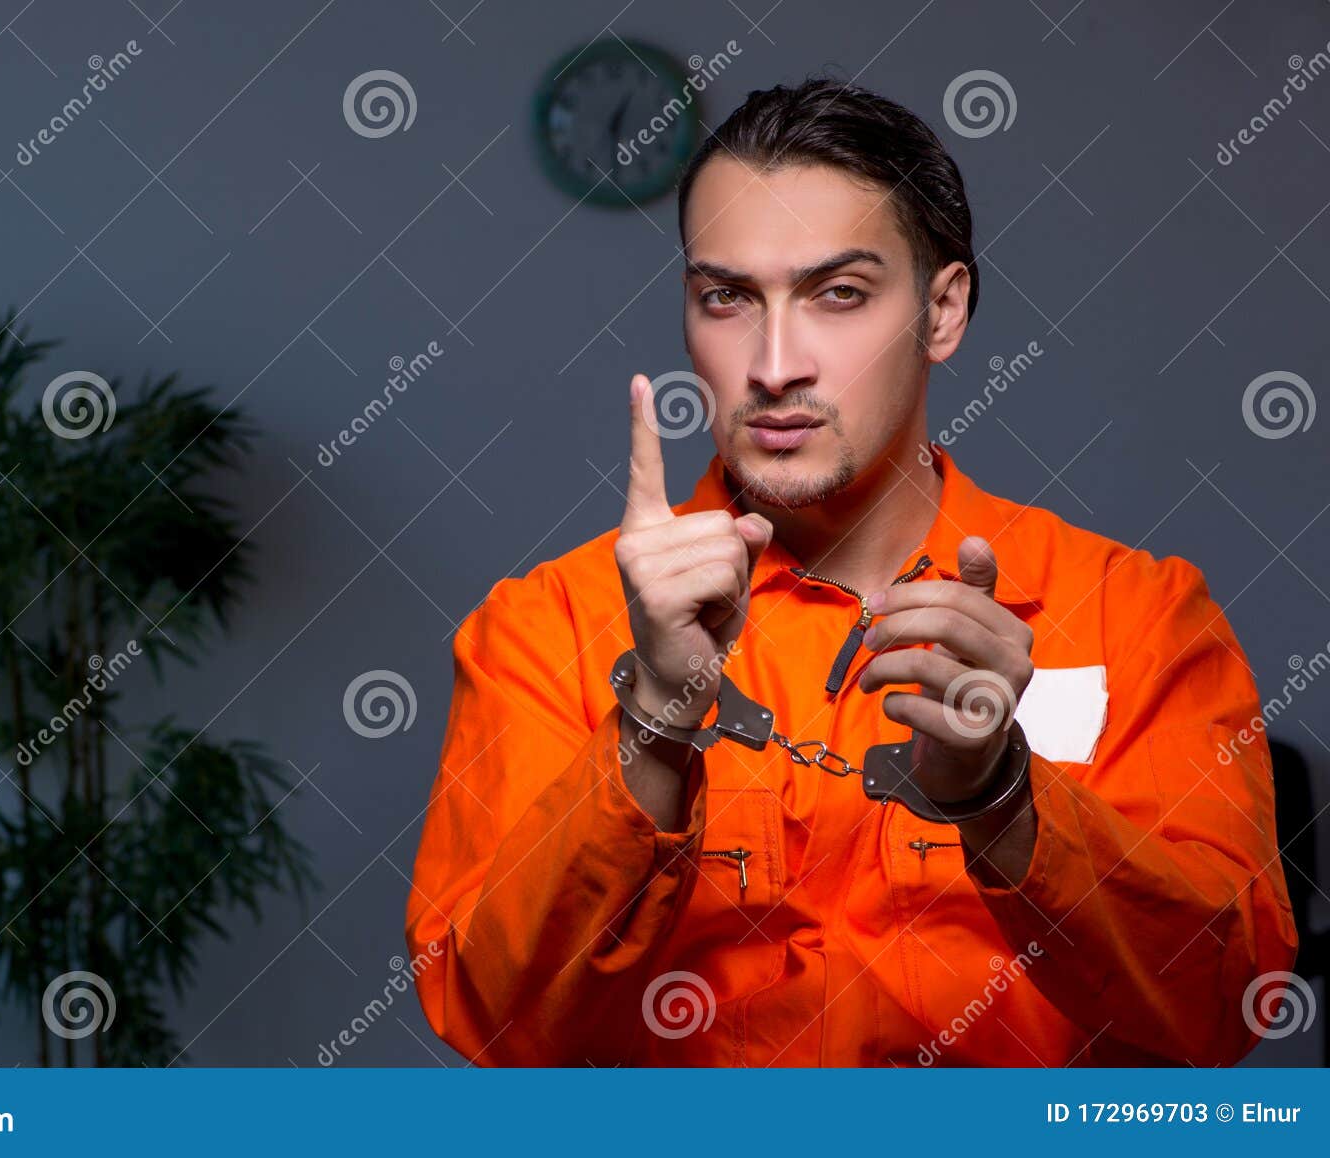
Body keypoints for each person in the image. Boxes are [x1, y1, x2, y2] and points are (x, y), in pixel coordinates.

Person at [403, 78, 1298, 1066]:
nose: (774, 362)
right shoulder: (546, 627)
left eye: (838, 294)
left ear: (943, 311)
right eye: (727, 297)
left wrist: (1005, 797)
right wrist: (652, 723)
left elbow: (1219, 1017)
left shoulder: (1139, 616)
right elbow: (492, 1024)